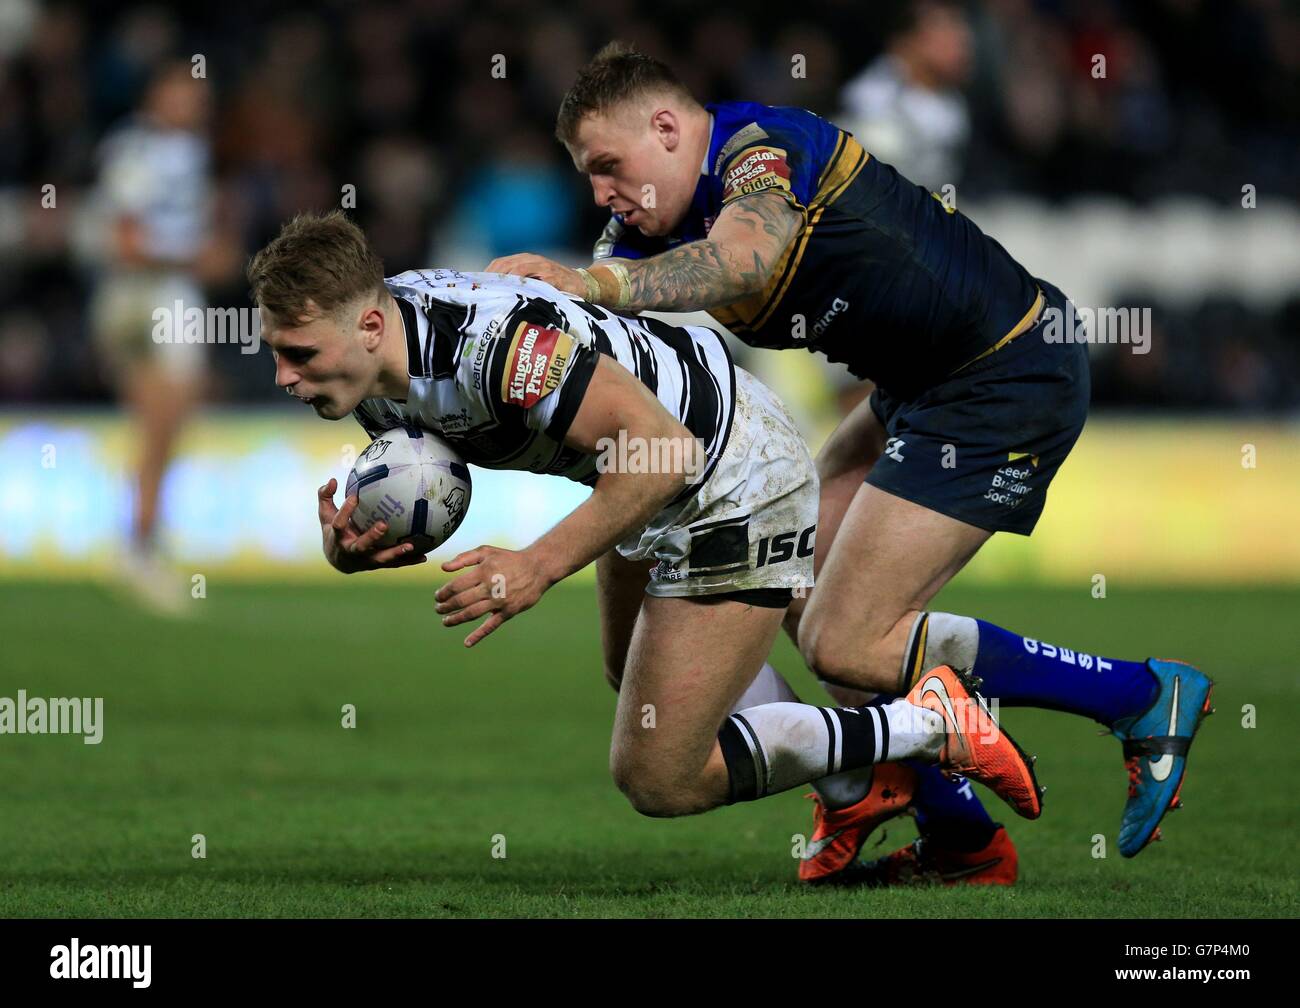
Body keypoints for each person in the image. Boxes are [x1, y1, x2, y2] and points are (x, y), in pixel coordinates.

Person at [486, 42, 1213, 883]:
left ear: (666, 126)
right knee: (787, 584)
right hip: (915, 389)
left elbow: (745, 257)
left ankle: (1139, 696)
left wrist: (596, 285)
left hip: (1007, 373)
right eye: (586, 175)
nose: (600, 192)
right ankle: (961, 843)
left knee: (845, 641)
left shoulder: (761, 148)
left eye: (607, 165)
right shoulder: (640, 232)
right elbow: (592, 340)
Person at [245, 210, 1042, 843]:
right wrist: (358, 548)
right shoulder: (370, 371)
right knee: (635, 672)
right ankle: (864, 793)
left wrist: (538, 566)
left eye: (299, 353)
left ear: (371, 326)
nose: (284, 376)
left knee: (659, 776)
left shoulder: (493, 349)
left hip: (727, 467)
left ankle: (927, 723)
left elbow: (662, 453)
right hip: (652, 465)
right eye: (277, 354)